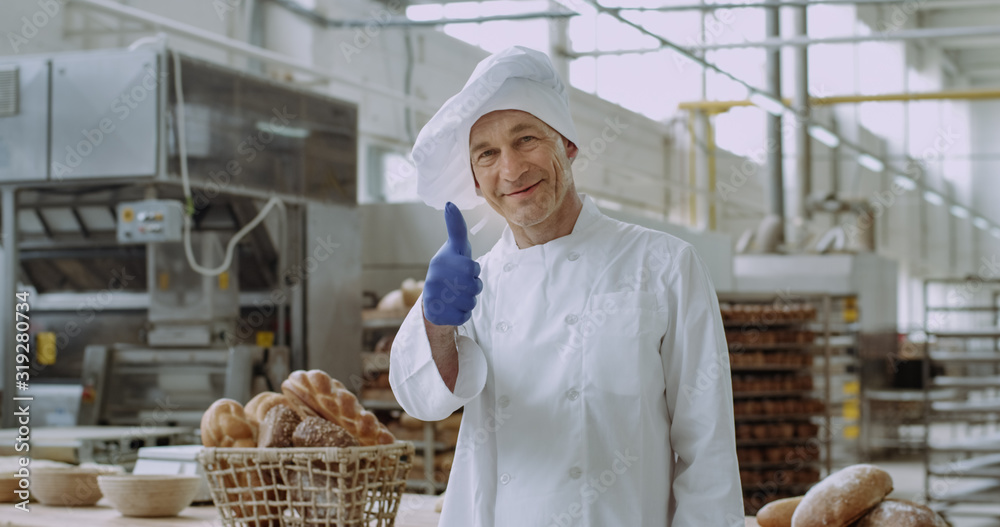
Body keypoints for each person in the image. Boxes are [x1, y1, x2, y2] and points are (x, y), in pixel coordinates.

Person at [389, 46, 743, 526]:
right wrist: (435, 324)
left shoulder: (663, 264)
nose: (512, 170)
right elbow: (425, 401)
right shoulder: (472, 285)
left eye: (526, 139)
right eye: (487, 154)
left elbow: (707, 444)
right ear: (474, 180)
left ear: (568, 145)